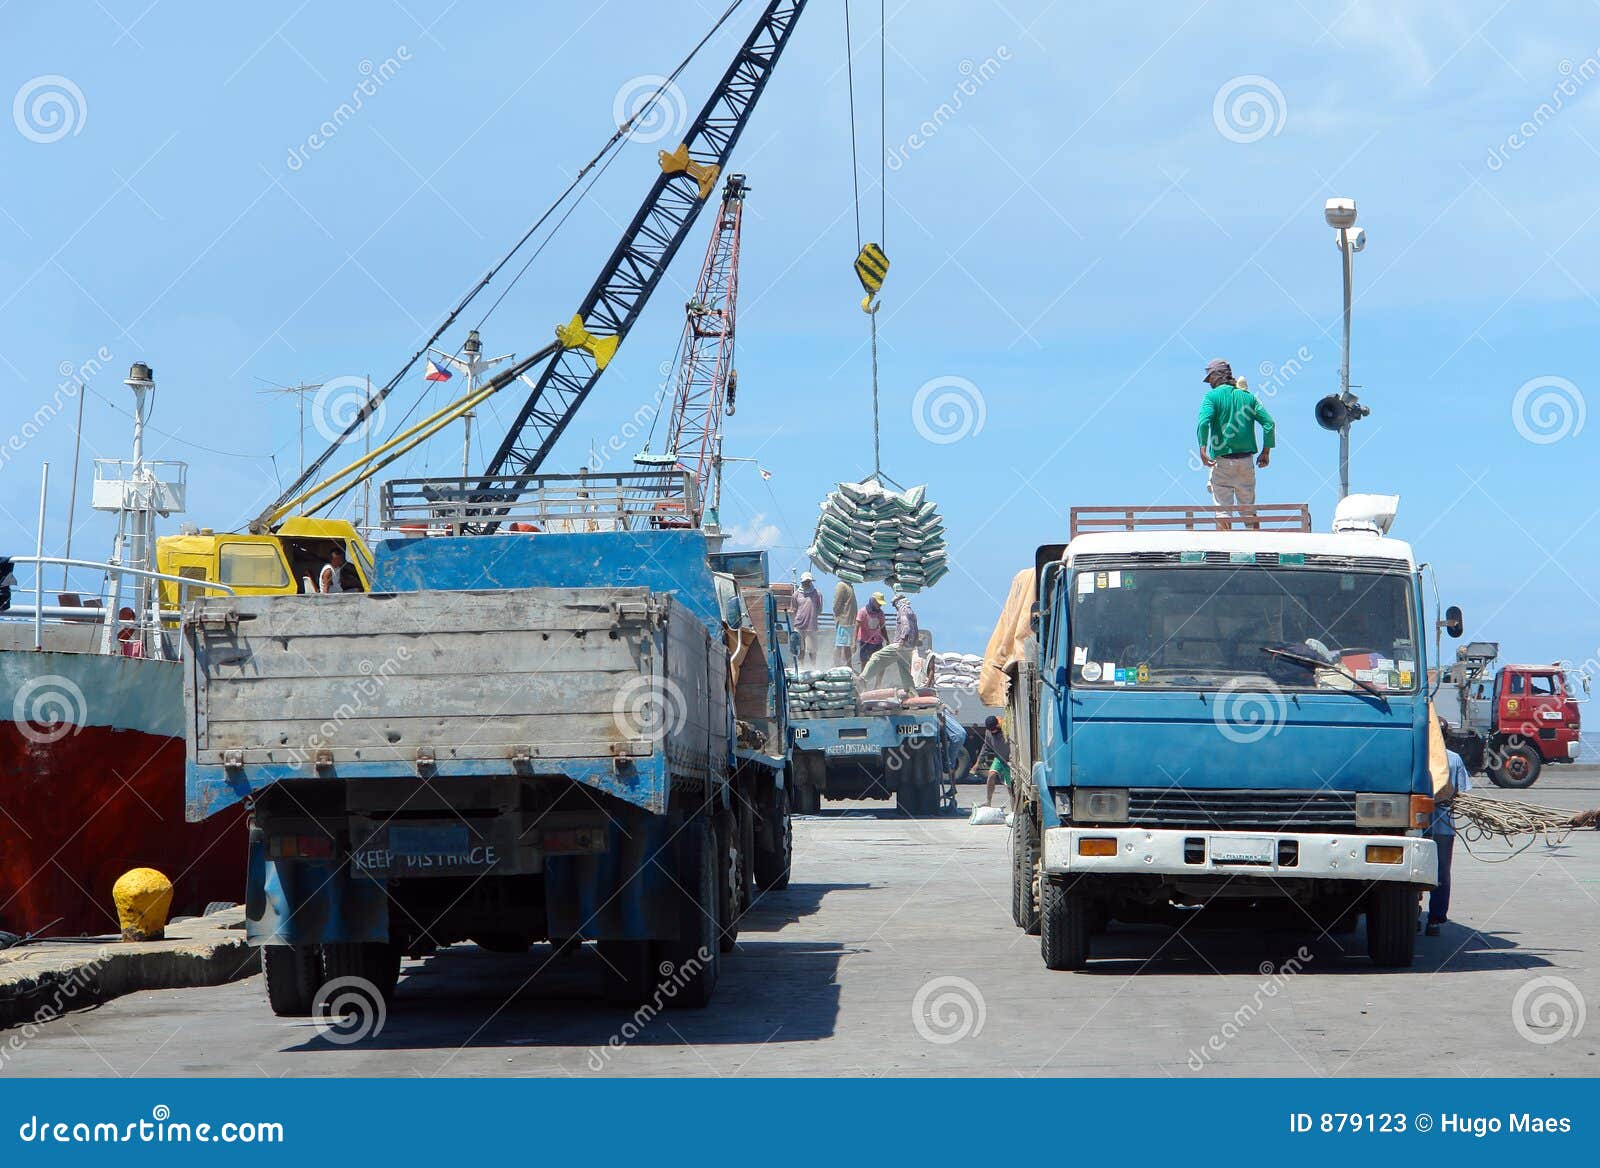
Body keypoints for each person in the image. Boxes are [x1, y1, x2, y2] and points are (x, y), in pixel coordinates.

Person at [1196, 358, 1275, 530]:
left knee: (1223, 511)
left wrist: (1202, 449)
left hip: (1222, 462)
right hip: (1246, 462)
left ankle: (1224, 550)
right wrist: (1265, 452)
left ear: (1217, 376)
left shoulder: (1211, 397)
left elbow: (1203, 423)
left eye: (1210, 378)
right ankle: (1257, 548)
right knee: (1249, 511)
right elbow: (1269, 424)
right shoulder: (1248, 397)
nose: (1209, 383)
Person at [1429, 722, 1470, 936]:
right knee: (1441, 873)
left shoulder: (1418, 755)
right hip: (1444, 827)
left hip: (1416, 825)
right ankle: (1435, 919)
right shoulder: (1454, 759)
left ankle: (1414, 911)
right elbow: (1463, 794)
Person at [793, 572, 823, 669]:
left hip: (811, 625)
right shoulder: (796, 594)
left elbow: (819, 608)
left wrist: (813, 617)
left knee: (812, 649)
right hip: (799, 625)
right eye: (805, 581)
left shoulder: (817, 594)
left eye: (809, 581)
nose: (807, 583)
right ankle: (801, 667)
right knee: (800, 648)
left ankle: (813, 667)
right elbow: (794, 608)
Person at [981, 714, 1011, 808]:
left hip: (1009, 761)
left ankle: (1014, 809)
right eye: (991, 730)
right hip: (998, 758)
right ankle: (988, 801)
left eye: (995, 729)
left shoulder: (1006, 728)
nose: (993, 732)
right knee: (991, 776)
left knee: (1010, 787)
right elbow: (986, 747)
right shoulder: (989, 731)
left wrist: (1012, 758)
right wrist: (978, 762)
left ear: (998, 724)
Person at [856, 591, 888, 665]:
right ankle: (863, 676)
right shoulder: (863, 611)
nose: (880, 605)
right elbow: (857, 626)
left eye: (881, 604)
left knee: (880, 663)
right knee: (864, 663)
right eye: (878, 603)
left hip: (878, 642)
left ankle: (879, 677)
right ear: (873, 601)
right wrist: (853, 643)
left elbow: (883, 628)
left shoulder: (880, 613)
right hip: (865, 642)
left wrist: (887, 641)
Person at [832, 580, 857, 666]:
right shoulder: (842, 585)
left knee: (846, 645)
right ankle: (837, 665)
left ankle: (848, 665)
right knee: (839, 644)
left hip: (846, 620)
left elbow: (837, 603)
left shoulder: (846, 585)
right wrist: (836, 613)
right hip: (844, 620)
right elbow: (837, 603)